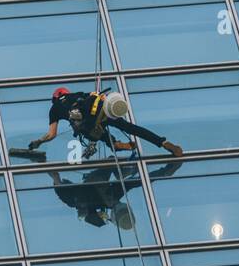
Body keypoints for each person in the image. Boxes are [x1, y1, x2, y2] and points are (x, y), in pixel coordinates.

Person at [27, 88, 183, 159]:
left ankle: (114, 144)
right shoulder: (78, 95)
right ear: (66, 93)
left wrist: (39, 141)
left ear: (55, 98)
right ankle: (163, 142)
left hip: (86, 124)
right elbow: (97, 98)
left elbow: (51, 134)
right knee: (131, 128)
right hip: (101, 110)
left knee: (94, 131)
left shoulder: (54, 108)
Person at [48, 160, 182, 229]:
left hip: (101, 187)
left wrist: (54, 176)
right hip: (101, 187)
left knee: (131, 181)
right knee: (130, 180)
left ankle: (123, 172)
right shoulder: (78, 200)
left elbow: (58, 182)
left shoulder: (78, 200)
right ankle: (123, 172)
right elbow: (58, 181)